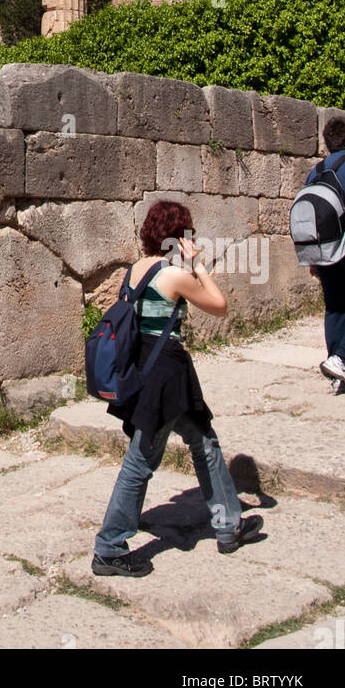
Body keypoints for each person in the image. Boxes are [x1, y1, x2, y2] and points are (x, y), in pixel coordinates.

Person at [92, 200, 263, 578]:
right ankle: (109, 547)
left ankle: (229, 525)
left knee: (204, 441)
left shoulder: (136, 269)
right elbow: (219, 305)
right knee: (141, 460)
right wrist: (198, 263)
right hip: (165, 376)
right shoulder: (173, 276)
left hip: (149, 370)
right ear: (179, 236)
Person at [308, 116, 345, 393]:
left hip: (323, 250)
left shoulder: (316, 171)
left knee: (337, 306)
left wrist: (312, 257)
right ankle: (344, 358)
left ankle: (340, 372)